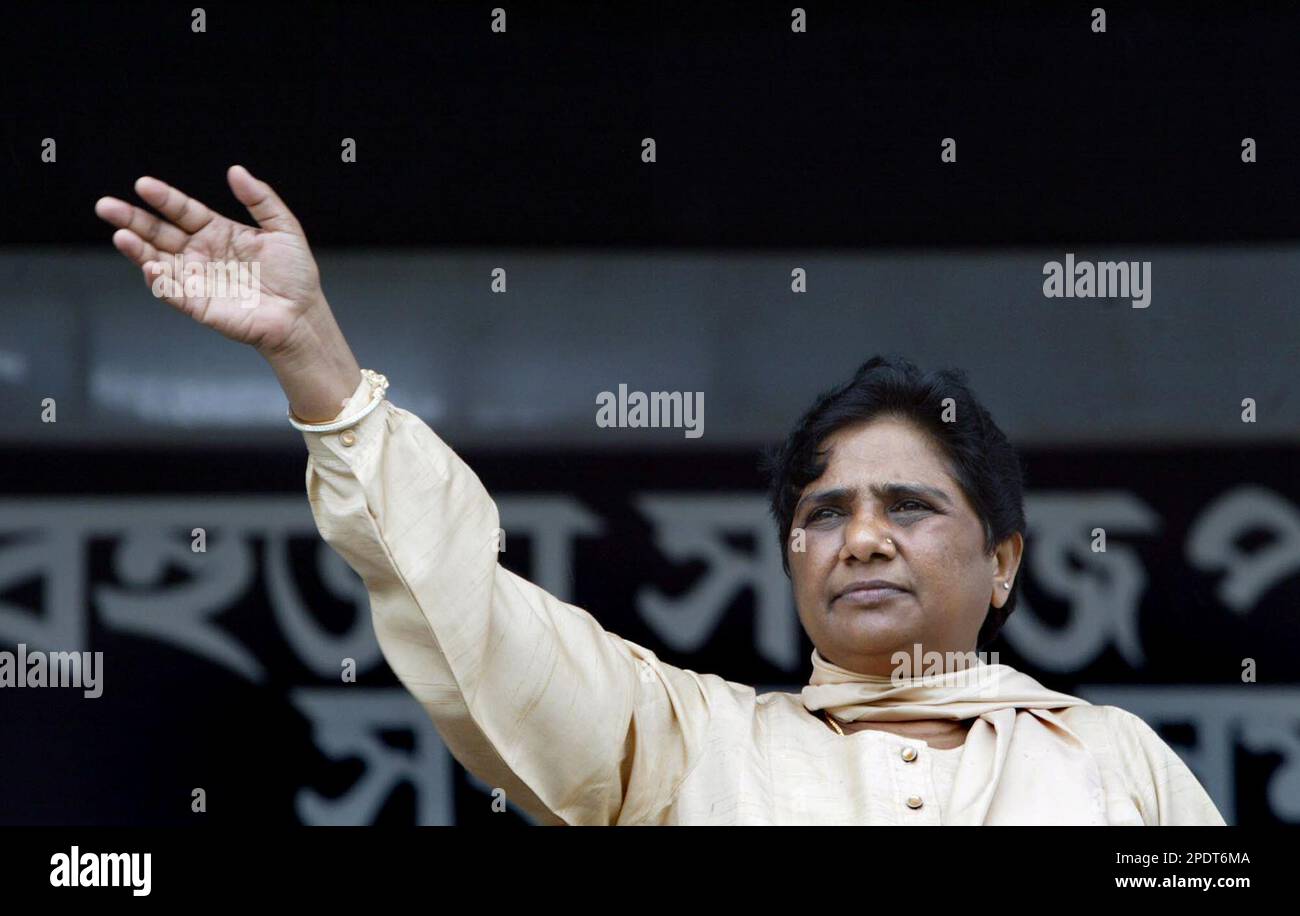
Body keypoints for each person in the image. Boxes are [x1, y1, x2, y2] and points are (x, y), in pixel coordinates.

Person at [94, 167, 1227, 826]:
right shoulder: (689, 747)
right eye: (823, 513)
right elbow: (472, 621)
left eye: (911, 507)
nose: (862, 538)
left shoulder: (1121, 766)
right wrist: (319, 365)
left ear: (1008, 560)